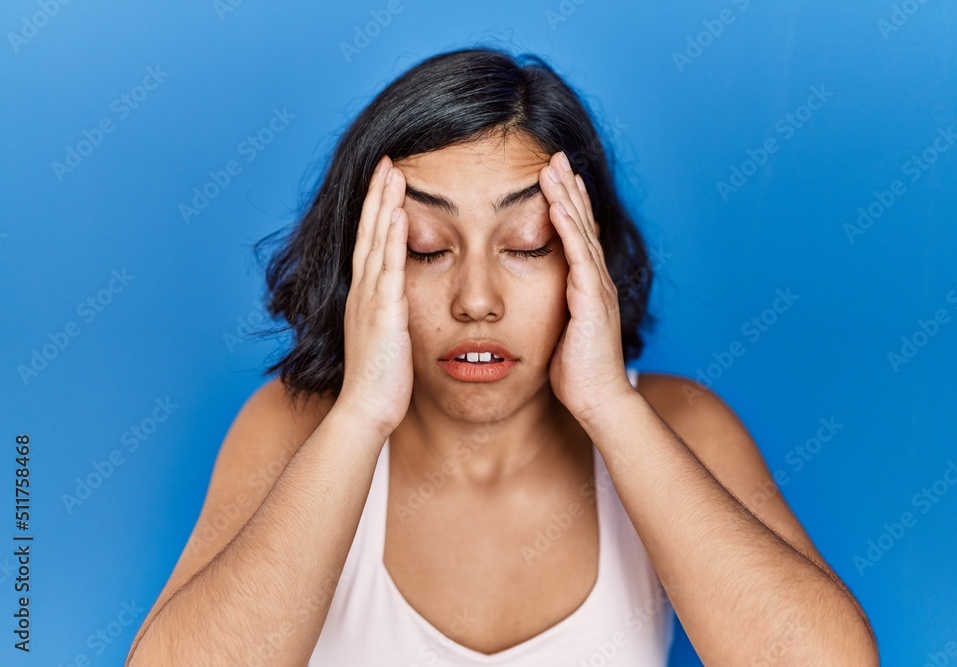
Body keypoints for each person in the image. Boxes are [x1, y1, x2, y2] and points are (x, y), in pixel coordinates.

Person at [126, 47, 879, 666]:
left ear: (583, 257)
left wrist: (611, 406)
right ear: (364, 263)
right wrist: (358, 417)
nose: (476, 299)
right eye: (426, 249)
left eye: (525, 246)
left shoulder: (683, 424)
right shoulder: (293, 429)